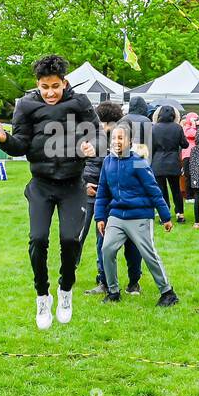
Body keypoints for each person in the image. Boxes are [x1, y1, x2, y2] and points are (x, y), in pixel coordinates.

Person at [0, 54, 99, 329]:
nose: (50, 93)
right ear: (37, 84)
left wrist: (91, 145)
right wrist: (3, 138)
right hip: (41, 184)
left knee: (71, 240)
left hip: (73, 184)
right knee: (38, 239)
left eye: (55, 86)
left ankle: (65, 290)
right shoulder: (26, 106)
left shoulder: (80, 103)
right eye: (44, 87)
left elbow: (97, 132)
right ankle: (42, 295)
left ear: (65, 83)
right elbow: (20, 145)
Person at [94, 124, 179, 306]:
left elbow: (154, 189)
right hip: (116, 215)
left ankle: (168, 293)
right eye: (114, 138)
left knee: (148, 254)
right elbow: (102, 192)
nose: (117, 142)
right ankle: (113, 291)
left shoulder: (138, 161)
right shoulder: (107, 162)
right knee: (107, 249)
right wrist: (100, 217)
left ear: (129, 141)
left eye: (121, 138)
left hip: (140, 215)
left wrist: (165, 217)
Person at [81, 100, 143, 295]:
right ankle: (107, 281)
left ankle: (132, 281)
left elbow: (143, 169)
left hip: (124, 201)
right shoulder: (92, 140)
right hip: (102, 198)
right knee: (103, 241)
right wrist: (84, 184)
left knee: (130, 244)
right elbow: (80, 166)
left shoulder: (131, 141)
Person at [150, 104, 188, 223]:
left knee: (161, 191)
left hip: (158, 162)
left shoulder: (154, 128)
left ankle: (164, 215)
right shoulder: (177, 128)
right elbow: (185, 144)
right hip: (173, 162)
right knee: (176, 189)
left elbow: (150, 147)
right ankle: (180, 214)